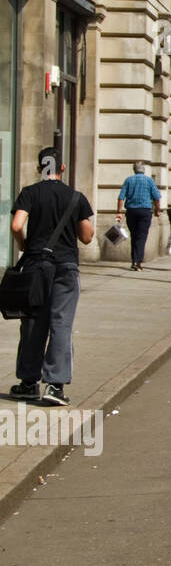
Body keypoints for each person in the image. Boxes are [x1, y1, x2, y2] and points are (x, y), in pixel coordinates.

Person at [8, 147, 95, 406]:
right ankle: (55, 386)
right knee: (61, 324)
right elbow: (87, 237)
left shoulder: (29, 193)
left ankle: (28, 382)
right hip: (65, 267)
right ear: (62, 168)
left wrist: (24, 244)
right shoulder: (75, 197)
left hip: (36, 266)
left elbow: (16, 224)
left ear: (39, 168)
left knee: (33, 323)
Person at [116, 160, 163, 271]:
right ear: (144, 170)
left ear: (134, 170)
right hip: (145, 211)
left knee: (134, 235)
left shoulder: (128, 180)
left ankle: (134, 260)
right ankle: (138, 261)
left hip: (131, 211)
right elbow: (157, 197)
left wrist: (118, 211)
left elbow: (121, 197)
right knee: (141, 236)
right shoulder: (149, 181)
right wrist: (157, 210)